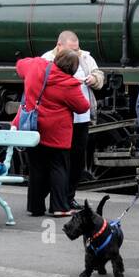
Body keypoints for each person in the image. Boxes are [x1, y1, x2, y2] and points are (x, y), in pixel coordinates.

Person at [14, 49, 89, 217]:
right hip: (57, 133)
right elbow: (83, 107)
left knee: (36, 168)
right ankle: (59, 207)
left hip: (33, 128)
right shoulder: (69, 84)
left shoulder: (36, 66)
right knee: (59, 168)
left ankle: (35, 207)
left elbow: (19, 66)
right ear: (73, 69)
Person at [41, 30, 105, 201]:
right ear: (59, 45)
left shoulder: (86, 57)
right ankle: (56, 198)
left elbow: (100, 75)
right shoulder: (46, 59)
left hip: (81, 118)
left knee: (77, 161)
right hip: (58, 120)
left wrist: (94, 79)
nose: (75, 53)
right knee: (58, 162)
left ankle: (69, 197)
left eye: (77, 49)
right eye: (71, 50)